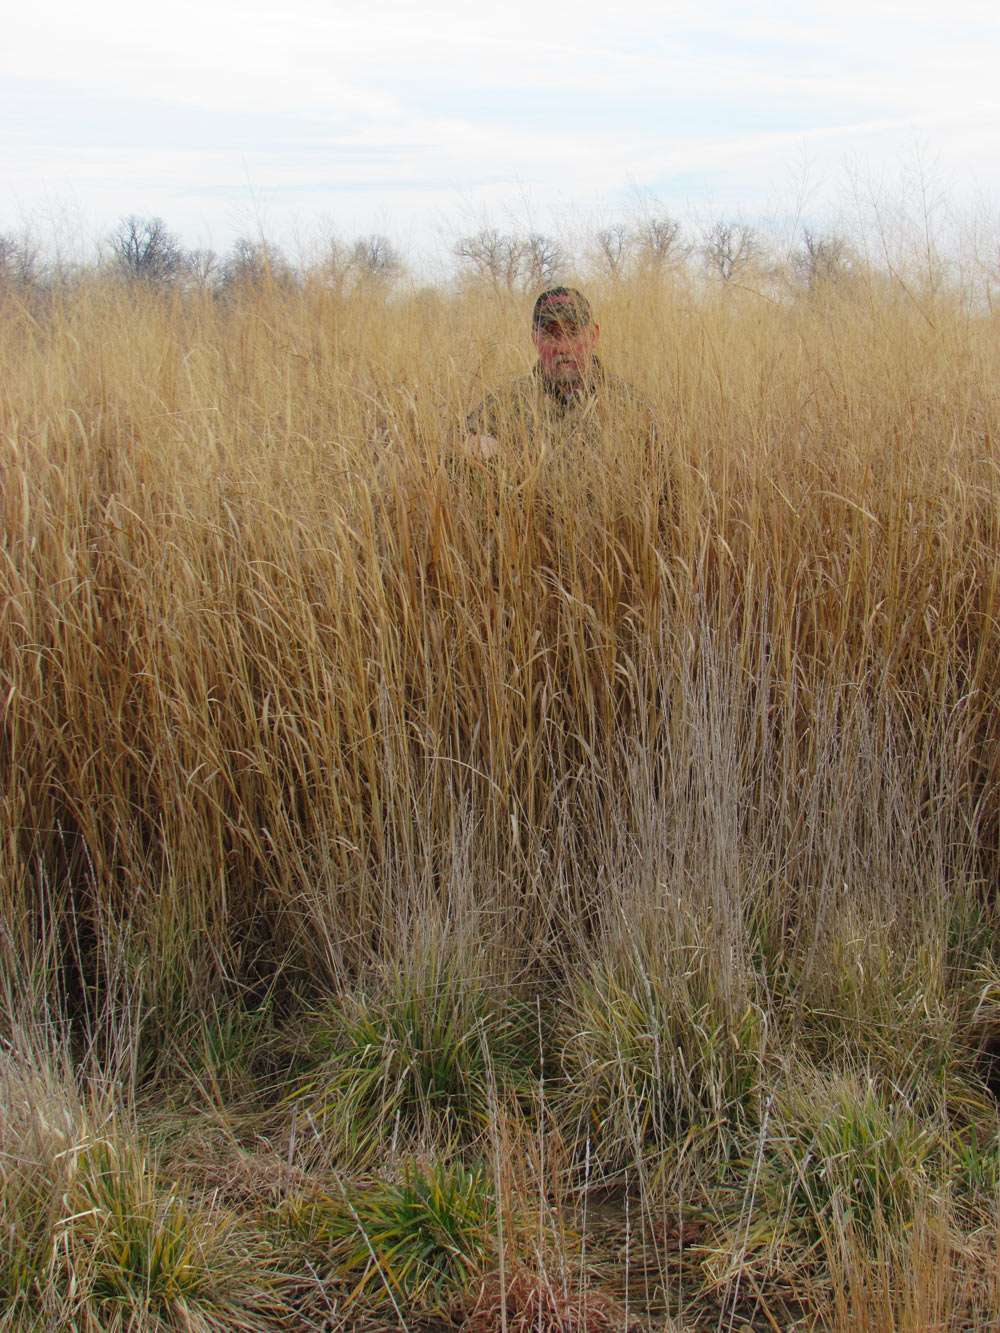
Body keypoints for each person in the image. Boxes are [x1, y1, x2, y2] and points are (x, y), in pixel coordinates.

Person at [463, 286, 658, 466]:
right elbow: (448, 448)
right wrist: (470, 444)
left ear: (594, 335)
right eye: (551, 334)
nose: (563, 347)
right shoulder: (507, 403)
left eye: (573, 332)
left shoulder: (631, 405)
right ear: (535, 340)